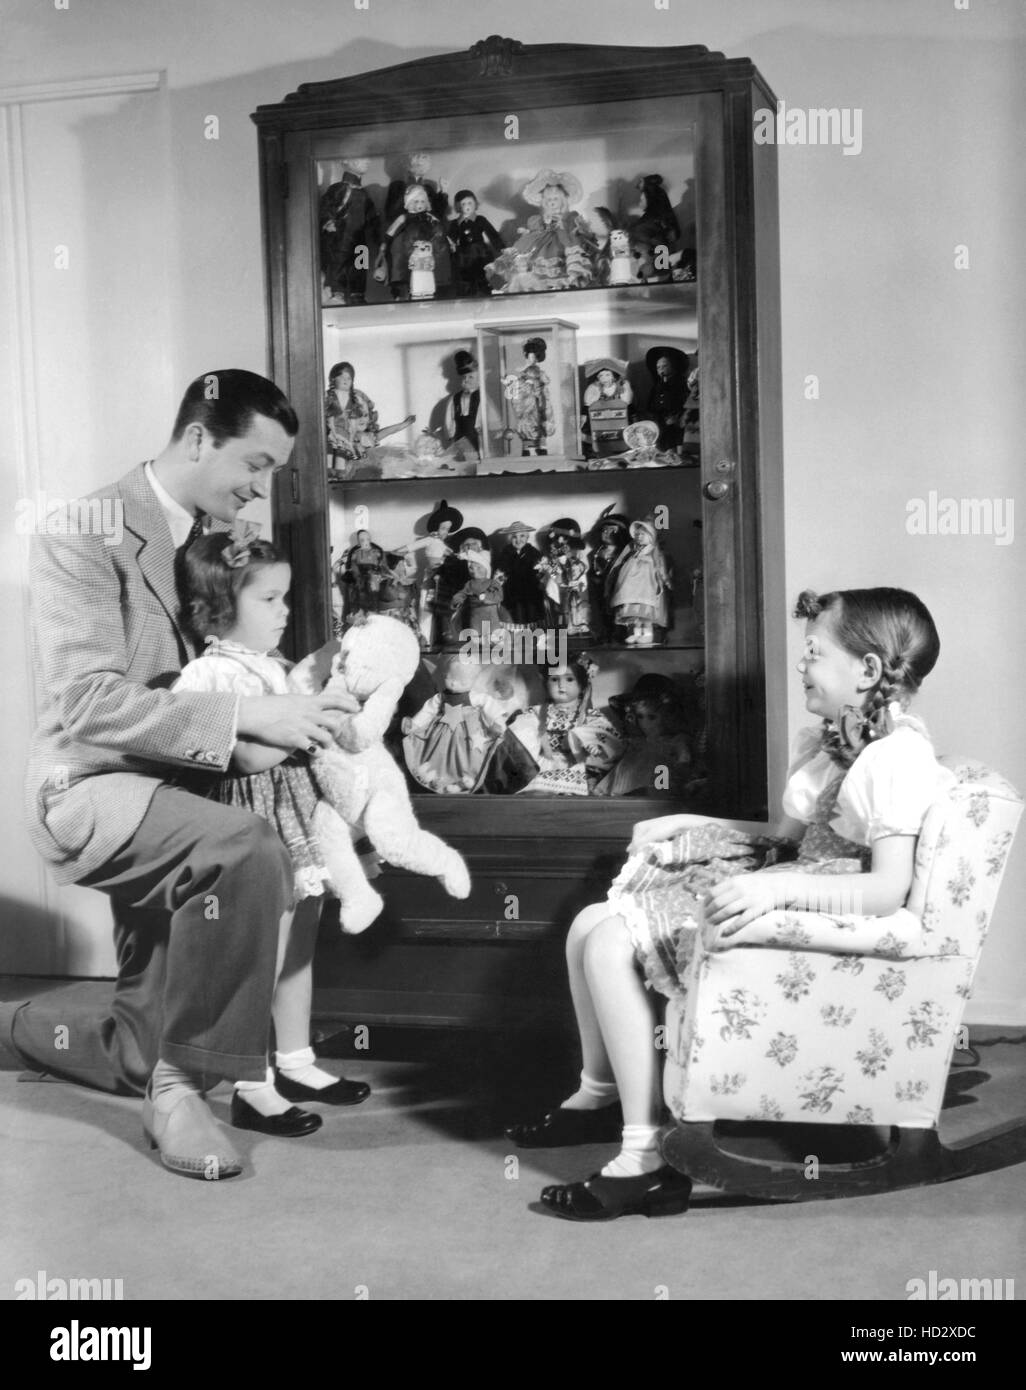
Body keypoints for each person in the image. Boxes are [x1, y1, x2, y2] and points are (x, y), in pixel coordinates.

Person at [2, 370, 359, 1181]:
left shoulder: (207, 532)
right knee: (246, 850)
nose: (260, 489)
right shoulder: (80, 530)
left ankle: (37, 1034)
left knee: (133, 1037)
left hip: (181, 789)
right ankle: (180, 1092)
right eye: (255, 464)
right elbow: (87, 702)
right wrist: (243, 721)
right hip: (90, 788)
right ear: (199, 439)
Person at [506, 587, 954, 1220]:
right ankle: (600, 1093)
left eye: (814, 654)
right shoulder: (840, 743)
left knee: (610, 942)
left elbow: (886, 887)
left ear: (869, 670)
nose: (801, 665)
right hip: (793, 876)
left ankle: (645, 1161)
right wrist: (685, 818)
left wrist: (774, 887)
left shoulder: (896, 758)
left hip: (813, 904)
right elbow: (785, 835)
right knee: (586, 925)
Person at [174, 530, 371, 1132]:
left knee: (301, 942)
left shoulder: (274, 668)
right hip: (251, 817)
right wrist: (297, 725)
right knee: (263, 950)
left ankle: (295, 1059)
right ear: (220, 608)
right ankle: (249, 1081)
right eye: (270, 600)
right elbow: (235, 758)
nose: (285, 611)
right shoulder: (209, 677)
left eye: (285, 598)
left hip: (298, 812)